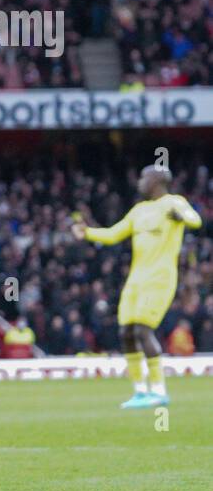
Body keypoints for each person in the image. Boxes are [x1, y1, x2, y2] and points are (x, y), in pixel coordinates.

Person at [73, 165, 201, 408]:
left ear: (157, 180)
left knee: (143, 330)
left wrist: (181, 216)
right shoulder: (139, 211)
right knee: (126, 332)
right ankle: (140, 391)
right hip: (136, 279)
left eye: (144, 177)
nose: (140, 181)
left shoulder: (174, 202)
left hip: (159, 278)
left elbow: (195, 220)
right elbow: (113, 234)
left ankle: (159, 391)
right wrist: (87, 232)